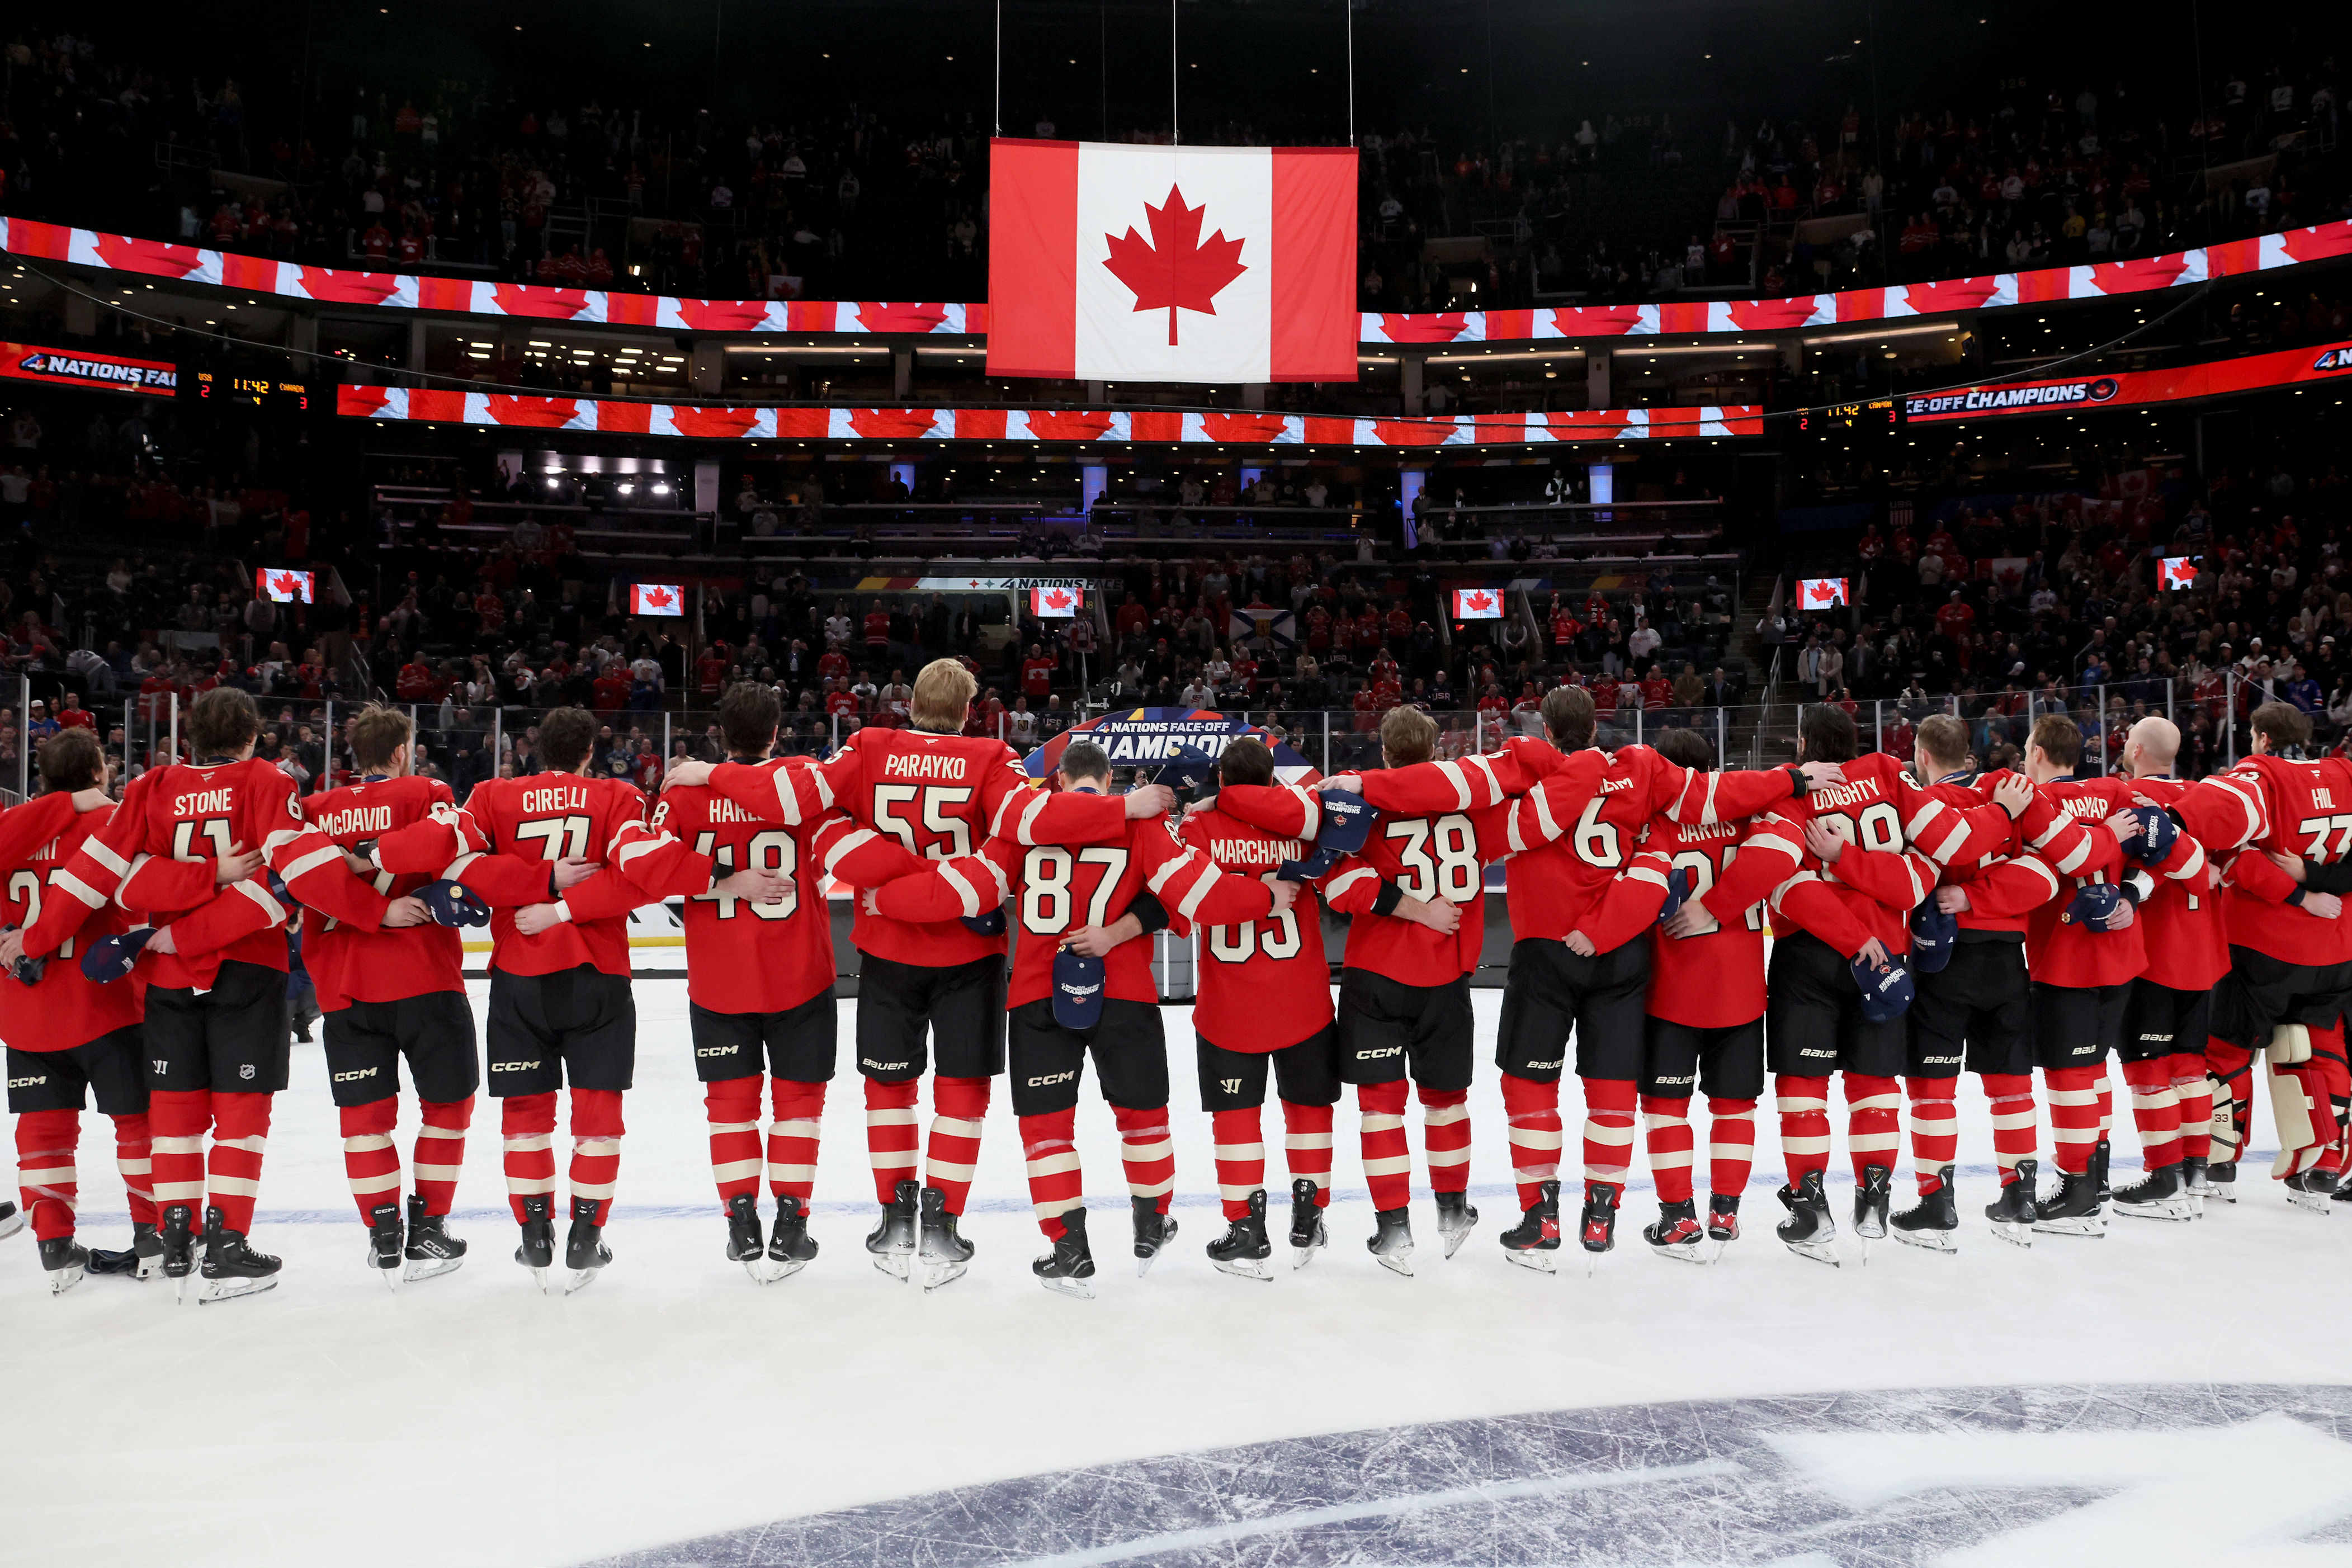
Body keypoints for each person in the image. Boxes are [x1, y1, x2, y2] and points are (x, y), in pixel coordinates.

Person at [662, 659, 1171, 1290]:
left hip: (887, 948)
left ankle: (896, 1217)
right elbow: (1033, 823)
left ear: (908, 704)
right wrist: (1121, 809)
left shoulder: (870, 745)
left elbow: (790, 797)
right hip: (968, 951)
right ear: (968, 710)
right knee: (961, 1093)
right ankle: (942, 1222)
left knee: (890, 1090)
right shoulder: (991, 756)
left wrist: (712, 771)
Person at [2, 688, 415, 1302]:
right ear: (251, 737)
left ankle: (175, 1242)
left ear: (192, 737)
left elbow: (105, 877)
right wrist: (376, 912)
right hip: (244, 968)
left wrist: (35, 937)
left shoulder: (148, 789)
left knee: (173, 1116)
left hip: (166, 975)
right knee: (240, 1116)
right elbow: (296, 876)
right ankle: (225, 1245)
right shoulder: (266, 782)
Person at [865, 738, 1286, 1295]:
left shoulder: (1024, 830)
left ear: (1058, 783)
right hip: (1126, 992)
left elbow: (964, 890)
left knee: (1046, 1132)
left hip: (1039, 993)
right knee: (1144, 1116)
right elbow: (1199, 894)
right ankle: (1150, 1219)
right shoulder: (1138, 824)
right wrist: (1265, 899)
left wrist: (887, 898)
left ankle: (1068, 1245)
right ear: (1109, 781)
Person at [1215, 706, 1592, 1274]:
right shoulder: (1475, 806)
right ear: (1436, 750)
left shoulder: (1358, 803)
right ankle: (1453, 1209)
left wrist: (1219, 799)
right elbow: (1544, 811)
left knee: (1380, 1112)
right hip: (1447, 982)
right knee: (1446, 1103)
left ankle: (1393, 1229)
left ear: (1385, 754)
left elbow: (1335, 881)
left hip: (1378, 979)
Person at [454, 705, 774, 1293]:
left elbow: (464, 872)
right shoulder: (617, 796)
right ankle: (585, 1232)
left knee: (526, 1115)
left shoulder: (490, 795)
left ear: (534, 747)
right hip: (598, 972)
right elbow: (643, 876)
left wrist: (542, 881)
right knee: (597, 1114)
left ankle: (532, 1232)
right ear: (588, 752)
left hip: (519, 973)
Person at [288, 704, 596, 1283]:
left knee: (364, 1117)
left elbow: (297, 879)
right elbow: (457, 852)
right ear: (403, 750)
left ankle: (382, 1233)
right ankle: (427, 1227)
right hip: (425, 979)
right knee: (447, 1109)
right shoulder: (427, 790)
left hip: (345, 987)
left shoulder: (315, 808)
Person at [646, 682, 923, 1281]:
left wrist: (722, 877)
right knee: (798, 1106)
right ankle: (791, 1224)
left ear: (719, 732)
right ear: (777, 731)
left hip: (718, 981)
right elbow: (842, 854)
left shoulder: (686, 791)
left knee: (729, 1107)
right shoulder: (803, 787)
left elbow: (647, 866)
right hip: (800, 974)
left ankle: (741, 1222)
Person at [2158, 702, 2352, 1210]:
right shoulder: (2344, 771)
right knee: (2320, 1046)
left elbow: (2219, 829)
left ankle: (2220, 1158)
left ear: (2261, 737)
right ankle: (2325, 1163)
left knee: (2227, 1048)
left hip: (2264, 945)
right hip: (2337, 948)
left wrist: (2167, 821)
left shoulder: (2262, 774)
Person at [1895, 715, 2069, 1248]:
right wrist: (1986, 897)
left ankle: (1936, 1203)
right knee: (2011, 1087)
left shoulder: (1923, 805)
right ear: (1967, 753)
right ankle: (2019, 1198)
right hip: (2006, 963)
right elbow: (2045, 875)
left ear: (1923, 756)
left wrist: (1966, 897)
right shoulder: (2014, 799)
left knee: (1933, 1091)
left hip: (1944, 963)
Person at [1176, 738, 1348, 1275]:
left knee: (1235, 1120)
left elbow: (1184, 896)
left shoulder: (1197, 830)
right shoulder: (1304, 826)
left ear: (1223, 781)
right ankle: (1308, 1213)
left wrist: (1205, 805)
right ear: (1272, 781)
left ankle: (1247, 1230)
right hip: (1303, 999)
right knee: (1309, 1111)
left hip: (1229, 1007)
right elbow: (1334, 813)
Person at [1639, 727, 1800, 1261]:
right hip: (1742, 991)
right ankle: (1726, 1210)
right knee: (1734, 1106)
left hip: (1672, 991)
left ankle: (1678, 1218)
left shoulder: (1655, 824)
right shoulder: (1754, 820)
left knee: (1667, 1107)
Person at [0, 732, 152, 1290]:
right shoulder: (112, 823)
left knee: (42, 1131)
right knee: (137, 1125)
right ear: (99, 771)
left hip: (28, 1008)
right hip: (105, 1002)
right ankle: (153, 1237)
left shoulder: (13, 831)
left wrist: (58, 805)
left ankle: (54, 1243)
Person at [2105, 715, 2230, 1220]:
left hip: (2155, 953)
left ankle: (2163, 1178)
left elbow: (2142, 865)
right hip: (2205, 954)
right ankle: (2195, 1175)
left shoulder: (2131, 799)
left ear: (2135, 749)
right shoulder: (2209, 796)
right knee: (2190, 1066)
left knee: (2148, 1069)